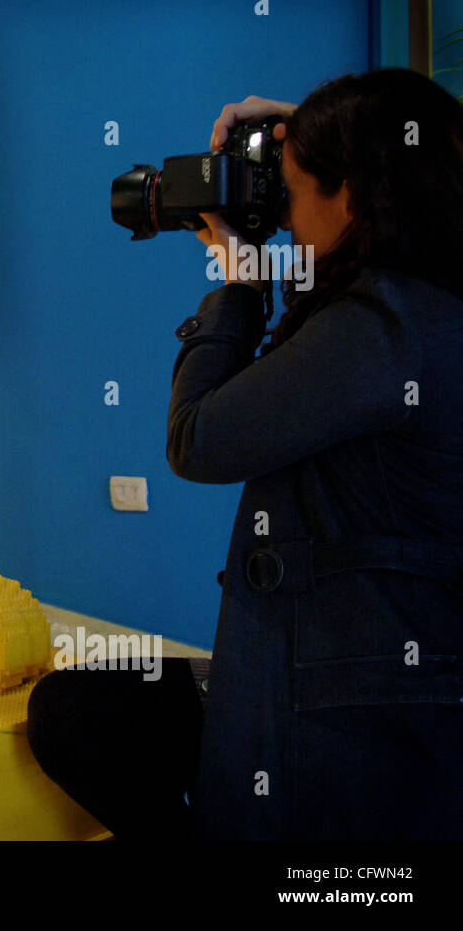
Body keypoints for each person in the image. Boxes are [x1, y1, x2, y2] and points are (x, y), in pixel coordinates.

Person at [27, 68, 463, 840]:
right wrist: (327, 128)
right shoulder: (430, 298)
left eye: (291, 193)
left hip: (351, 705)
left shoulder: (382, 327)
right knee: (77, 710)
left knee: (82, 719)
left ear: (353, 196)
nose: (286, 221)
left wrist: (237, 281)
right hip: (370, 671)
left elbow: (199, 439)